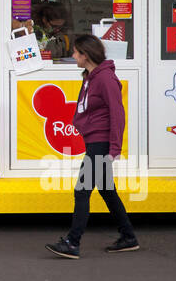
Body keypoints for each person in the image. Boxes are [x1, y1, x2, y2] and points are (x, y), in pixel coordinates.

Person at [46, 34, 137, 259]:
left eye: (76, 52)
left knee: (82, 191)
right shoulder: (90, 76)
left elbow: (118, 114)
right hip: (95, 140)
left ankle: (72, 242)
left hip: (101, 142)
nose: (73, 56)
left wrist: (114, 148)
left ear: (86, 55)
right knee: (107, 190)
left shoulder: (105, 79)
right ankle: (128, 237)